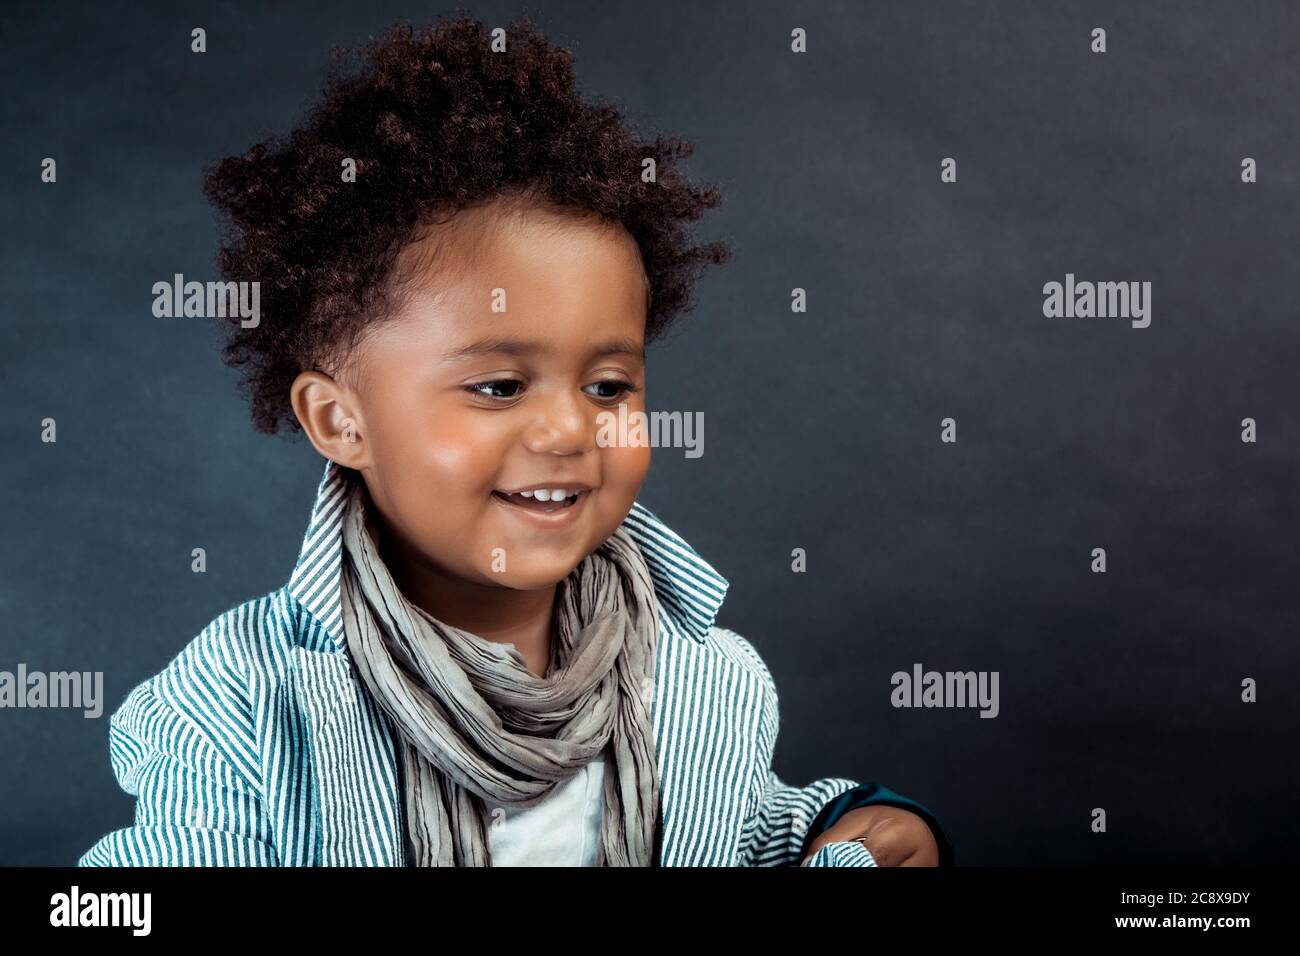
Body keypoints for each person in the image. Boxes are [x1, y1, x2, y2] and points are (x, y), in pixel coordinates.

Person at [79, 14, 953, 868]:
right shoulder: (241, 705)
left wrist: (848, 826)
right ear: (341, 421)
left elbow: (742, 833)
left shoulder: (706, 677)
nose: (570, 429)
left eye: (608, 387)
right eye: (498, 386)